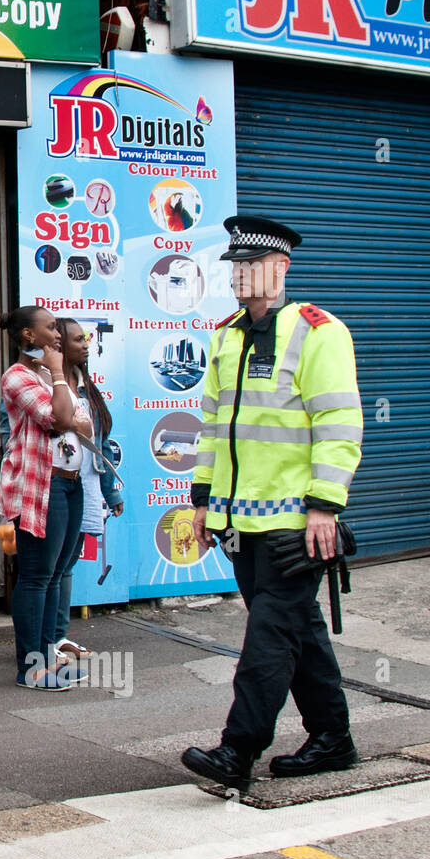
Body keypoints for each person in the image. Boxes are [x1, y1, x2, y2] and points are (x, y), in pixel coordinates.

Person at [182, 216, 363, 790]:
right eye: (234, 265)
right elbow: (212, 425)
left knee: (267, 636)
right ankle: (333, 738)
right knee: (297, 631)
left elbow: (339, 422)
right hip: (240, 521)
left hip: (297, 523)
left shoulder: (318, 330)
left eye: (252, 265)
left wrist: (324, 507)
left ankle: (237, 752)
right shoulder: (227, 334)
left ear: (281, 268)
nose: (240, 275)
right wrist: (204, 502)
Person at [0, 307, 93, 692]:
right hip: (40, 487)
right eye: (50, 328)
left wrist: (59, 385)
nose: (58, 334)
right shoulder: (18, 376)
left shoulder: (49, 377)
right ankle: (30, 668)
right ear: (27, 337)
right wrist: (57, 376)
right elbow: (62, 420)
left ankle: (49, 661)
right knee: (36, 578)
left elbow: (83, 421)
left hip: (70, 483)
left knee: (54, 575)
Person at [51, 318, 124, 662]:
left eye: (87, 338)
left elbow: (101, 444)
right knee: (47, 568)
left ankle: (58, 636)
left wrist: (112, 493)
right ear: (59, 344)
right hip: (51, 486)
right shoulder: (41, 382)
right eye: (78, 339)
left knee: (66, 566)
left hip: (86, 486)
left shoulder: (84, 384)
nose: (86, 344)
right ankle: (41, 641)